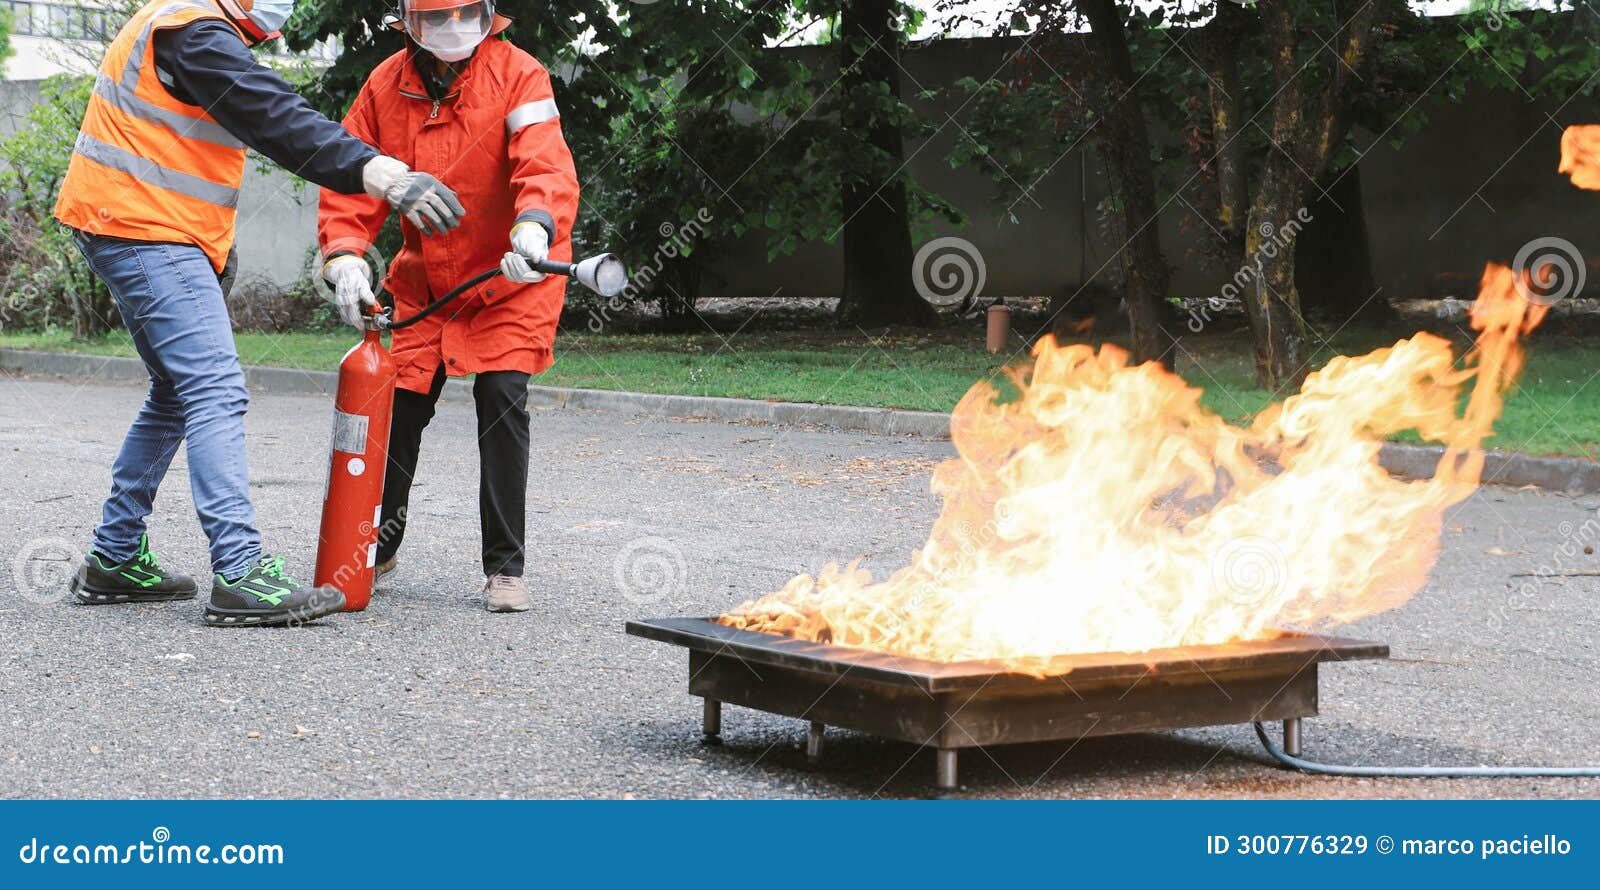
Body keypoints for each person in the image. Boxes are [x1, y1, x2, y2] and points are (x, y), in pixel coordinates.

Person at [54, 0, 468, 627]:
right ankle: (240, 572)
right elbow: (277, 116)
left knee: (175, 391)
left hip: (136, 225)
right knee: (214, 387)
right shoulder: (193, 31)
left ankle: (113, 557)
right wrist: (378, 172)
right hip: (146, 230)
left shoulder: (181, 22)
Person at [318, 0, 579, 613]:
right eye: (439, 16)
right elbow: (351, 177)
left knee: (501, 399)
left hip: (514, 273)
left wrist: (536, 224)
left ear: (487, 12)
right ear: (409, 23)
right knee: (401, 407)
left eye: (467, 13)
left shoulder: (519, 74)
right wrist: (346, 257)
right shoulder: (384, 85)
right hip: (428, 283)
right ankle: (378, 548)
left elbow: (545, 163)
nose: (455, 27)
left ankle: (505, 568)